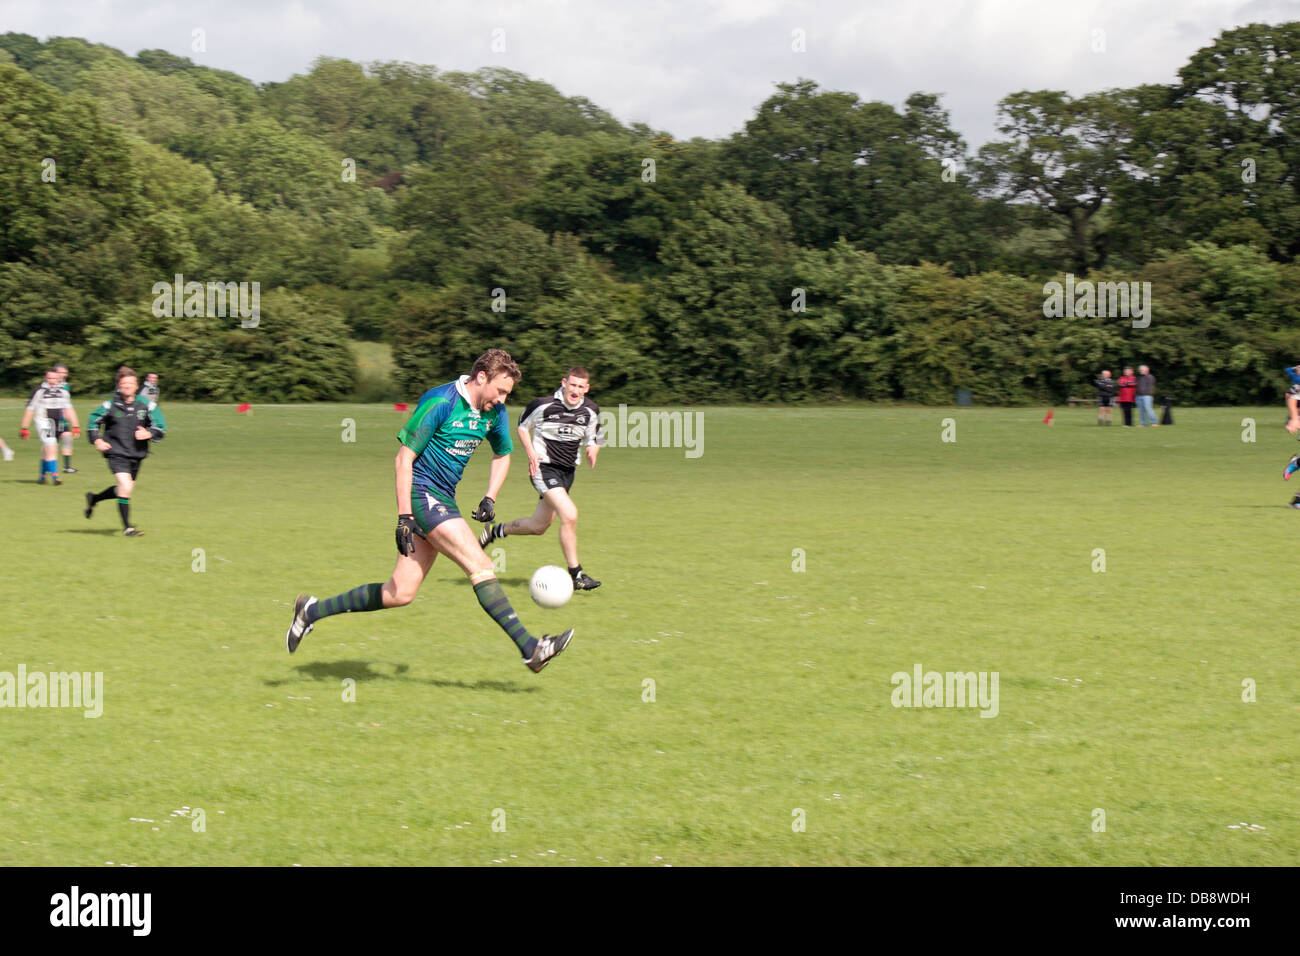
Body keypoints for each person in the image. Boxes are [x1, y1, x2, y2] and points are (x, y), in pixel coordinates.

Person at [283, 349, 574, 673]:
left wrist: (490, 497)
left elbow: (502, 454)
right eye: (501, 390)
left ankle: (310, 610)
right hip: (421, 496)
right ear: (481, 377)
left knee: (400, 592)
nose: (503, 399)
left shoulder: (495, 412)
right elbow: (403, 459)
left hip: (444, 500)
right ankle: (531, 648)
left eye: (508, 393)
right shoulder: (441, 402)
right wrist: (404, 516)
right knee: (479, 563)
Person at [478, 367, 605, 591]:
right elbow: (522, 427)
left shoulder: (591, 410)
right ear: (564, 382)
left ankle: (496, 531)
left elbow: (593, 436)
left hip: (567, 473)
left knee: (539, 526)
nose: (575, 390)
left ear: (587, 388)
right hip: (543, 468)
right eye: (572, 385)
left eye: (580, 386)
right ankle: (576, 574)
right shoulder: (542, 405)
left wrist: (593, 449)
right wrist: (530, 452)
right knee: (570, 514)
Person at [84, 367, 166, 536]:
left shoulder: (147, 404)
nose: (127, 386)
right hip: (115, 451)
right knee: (126, 486)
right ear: (119, 386)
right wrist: (97, 440)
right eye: (123, 383)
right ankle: (128, 528)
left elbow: (160, 426)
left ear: (137, 386)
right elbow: (93, 421)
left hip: (137, 453)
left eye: (130, 383)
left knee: (124, 489)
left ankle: (94, 498)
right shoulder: (110, 405)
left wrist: (148, 433)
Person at [19, 369, 79, 485]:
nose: (52, 381)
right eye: (49, 378)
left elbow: (69, 409)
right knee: (51, 445)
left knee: (48, 448)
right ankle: (55, 477)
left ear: (58, 379)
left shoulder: (63, 391)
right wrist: (24, 428)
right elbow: (30, 409)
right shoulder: (39, 391)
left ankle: (42, 477)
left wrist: (76, 425)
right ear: (46, 378)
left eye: (54, 378)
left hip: (58, 422)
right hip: (43, 421)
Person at [53, 363, 78, 474]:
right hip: (50, 419)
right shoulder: (48, 385)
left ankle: (67, 467)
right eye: (60, 372)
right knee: (51, 444)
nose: (63, 375)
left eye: (65, 373)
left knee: (67, 437)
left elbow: (66, 403)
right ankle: (50, 467)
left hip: (62, 419)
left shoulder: (66, 386)